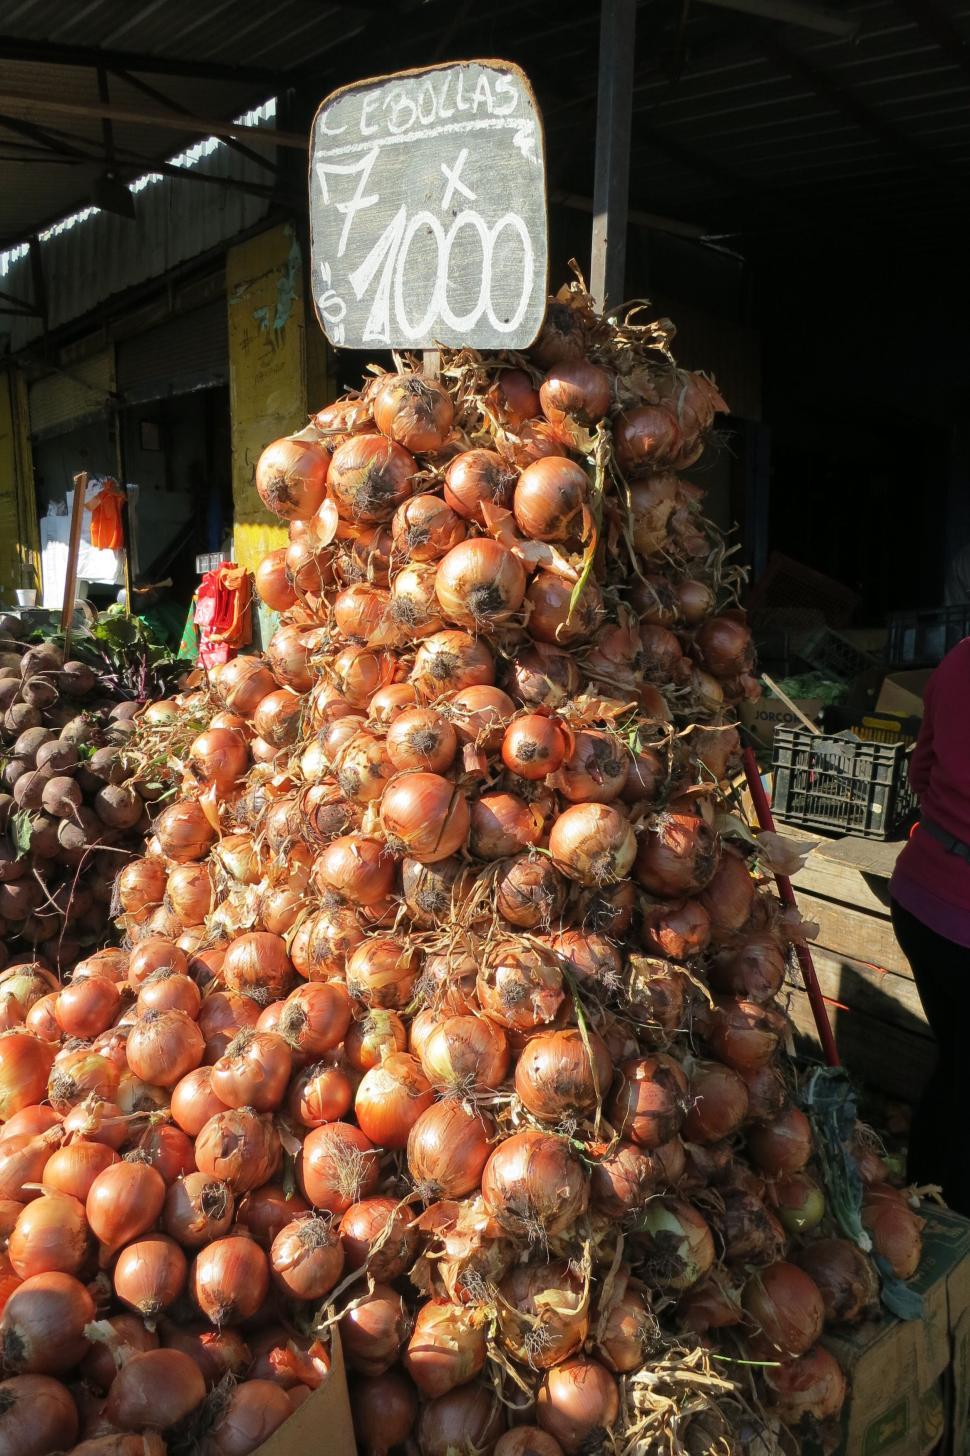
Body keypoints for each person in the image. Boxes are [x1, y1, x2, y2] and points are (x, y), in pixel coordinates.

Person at [890, 636, 970, 1214]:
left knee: (957, 1062)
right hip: (961, 920)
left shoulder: (961, 657)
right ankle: (952, 1219)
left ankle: (921, 1195)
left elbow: (921, 769)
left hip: (920, 898)